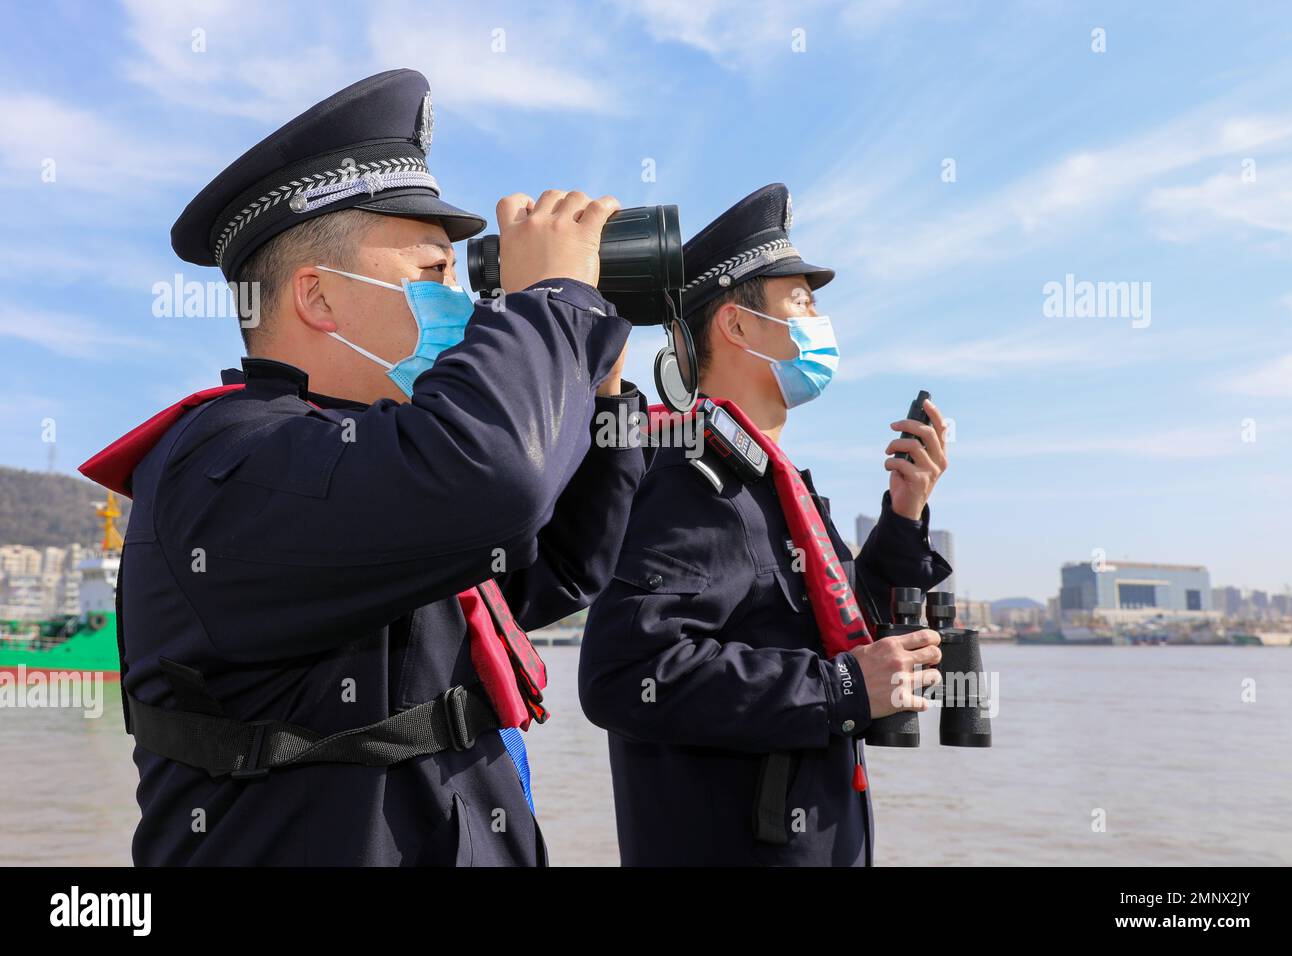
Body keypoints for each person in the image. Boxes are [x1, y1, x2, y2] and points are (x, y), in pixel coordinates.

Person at [79, 69, 647, 865]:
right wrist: (551, 303)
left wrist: (600, 380)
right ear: (318, 297)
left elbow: (561, 567)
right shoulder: (226, 461)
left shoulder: (377, 464)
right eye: (432, 274)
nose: (463, 301)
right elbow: (497, 482)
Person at [578, 183, 954, 865]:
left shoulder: (772, 484)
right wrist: (838, 690)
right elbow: (626, 672)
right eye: (802, 301)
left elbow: (847, 628)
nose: (819, 320)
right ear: (738, 326)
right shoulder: (691, 480)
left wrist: (906, 511)